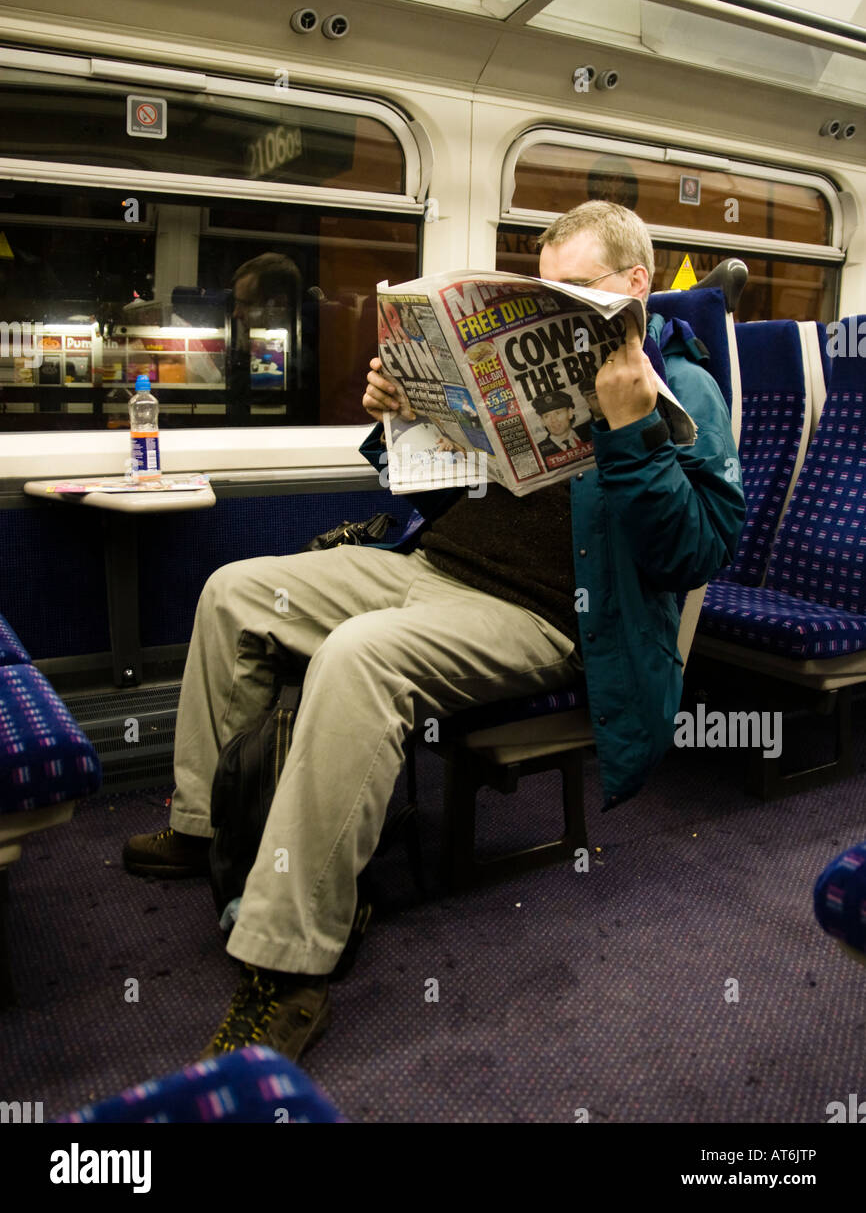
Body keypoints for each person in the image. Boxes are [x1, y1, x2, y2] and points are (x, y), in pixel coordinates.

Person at [122, 201, 745, 1064]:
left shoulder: (688, 387)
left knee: (358, 657)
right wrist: (398, 419)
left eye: (575, 291)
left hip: (544, 614)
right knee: (235, 592)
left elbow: (698, 549)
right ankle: (205, 825)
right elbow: (440, 493)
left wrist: (633, 430)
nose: (555, 305)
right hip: (431, 566)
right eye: (542, 290)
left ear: (634, 287)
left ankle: (289, 958)